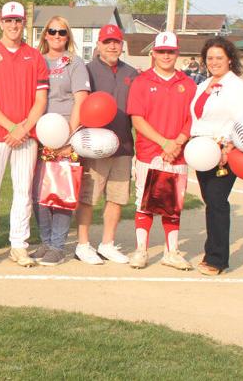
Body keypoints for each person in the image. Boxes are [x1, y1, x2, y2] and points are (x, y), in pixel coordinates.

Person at [0, 1, 49, 268]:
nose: (14, 25)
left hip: (26, 136)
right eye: (9, 21)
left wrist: (24, 128)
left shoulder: (35, 56)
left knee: (23, 192)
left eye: (17, 21)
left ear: (23, 22)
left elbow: (41, 100)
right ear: (1, 22)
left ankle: (19, 244)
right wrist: (12, 127)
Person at [126, 32, 196, 270]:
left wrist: (177, 142)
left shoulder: (187, 84)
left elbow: (191, 119)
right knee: (144, 202)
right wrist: (164, 143)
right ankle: (141, 250)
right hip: (150, 151)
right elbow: (138, 119)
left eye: (171, 51)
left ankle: (171, 252)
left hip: (178, 152)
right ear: (153, 53)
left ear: (177, 53)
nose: (166, 56)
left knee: (173, 203)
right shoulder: (142, 81)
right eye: (162, 51)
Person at [30, 16, 90, 266]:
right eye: (52, 31)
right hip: (39, 135)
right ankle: (46, 241)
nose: (56, 36)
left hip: (65, 135)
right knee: (38, 194)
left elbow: (81, 99)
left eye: (62, 32)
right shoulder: (37, 60)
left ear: (68, 36)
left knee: (61, 193)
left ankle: (57, 245)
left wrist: (70, 137)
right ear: (45, 34)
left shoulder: (74, 63)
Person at [189, 37, 243, 275]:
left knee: (217, 203)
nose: (214, 62)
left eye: (219, 58)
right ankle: (212, 251)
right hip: (202, 151)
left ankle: (217, 259)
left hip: (223, 152)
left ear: (230, 60)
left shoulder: (235, 87)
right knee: (210, 202)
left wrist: (230, 147)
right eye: (210, 58)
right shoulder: (203, 84)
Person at [75, 24, 137, 266]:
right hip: (94, 145)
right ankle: (82, 244)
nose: (112, 46)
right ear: (99, 44)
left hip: (122, 145)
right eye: (107, 41)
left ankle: (107, 243)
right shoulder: (86, 71)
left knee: (117, 197)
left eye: (117, 42)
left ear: (122, 45)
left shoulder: (132, 73)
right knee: (89, 197)